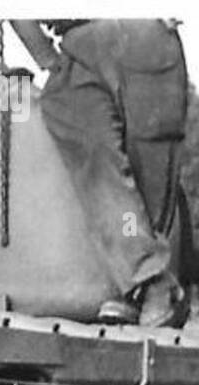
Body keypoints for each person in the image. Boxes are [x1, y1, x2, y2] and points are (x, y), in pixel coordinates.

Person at [39, 19, 190, 327]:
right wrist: (48, 59)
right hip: (95, 44)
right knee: (118, 170)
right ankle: (148, 280)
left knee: (139, 174)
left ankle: (143, 286)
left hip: (134, 36)